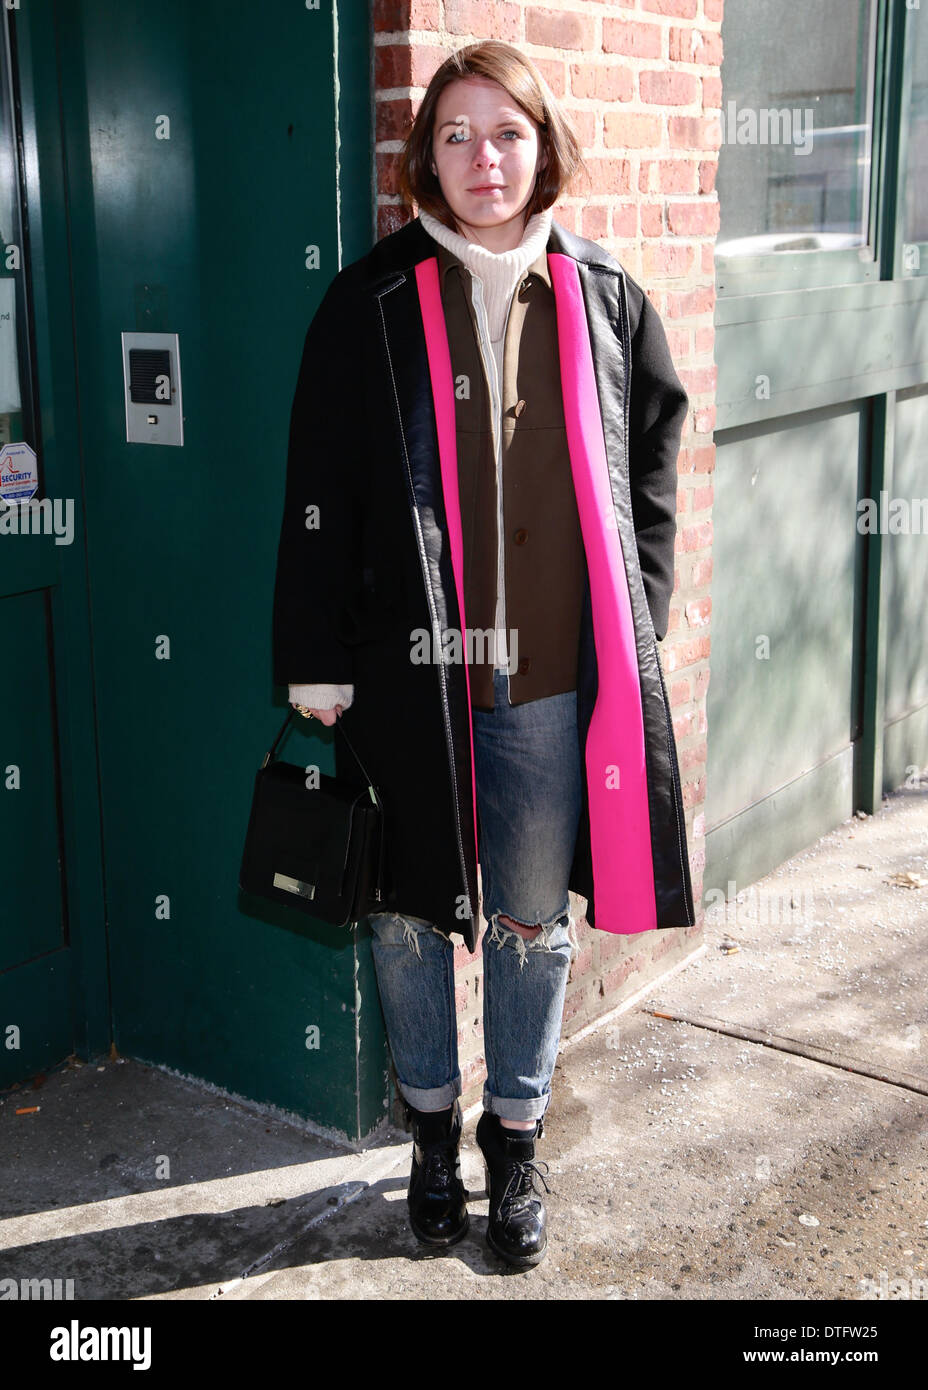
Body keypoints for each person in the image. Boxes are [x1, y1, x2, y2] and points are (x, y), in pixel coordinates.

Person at [272, 38, 694, 1271]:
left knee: (526, 918)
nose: (482, 157)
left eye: (506, 131)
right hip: (405, 680)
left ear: (541, 146)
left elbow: (652, 464)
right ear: (427, 156)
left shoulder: (603, 295)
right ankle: (428, 1137)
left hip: (547, 681)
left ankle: (514, 1142)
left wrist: (640, 607)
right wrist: (312, 653)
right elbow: (317, 489)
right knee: (407, 918)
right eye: (455, 134)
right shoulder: (369, 300)